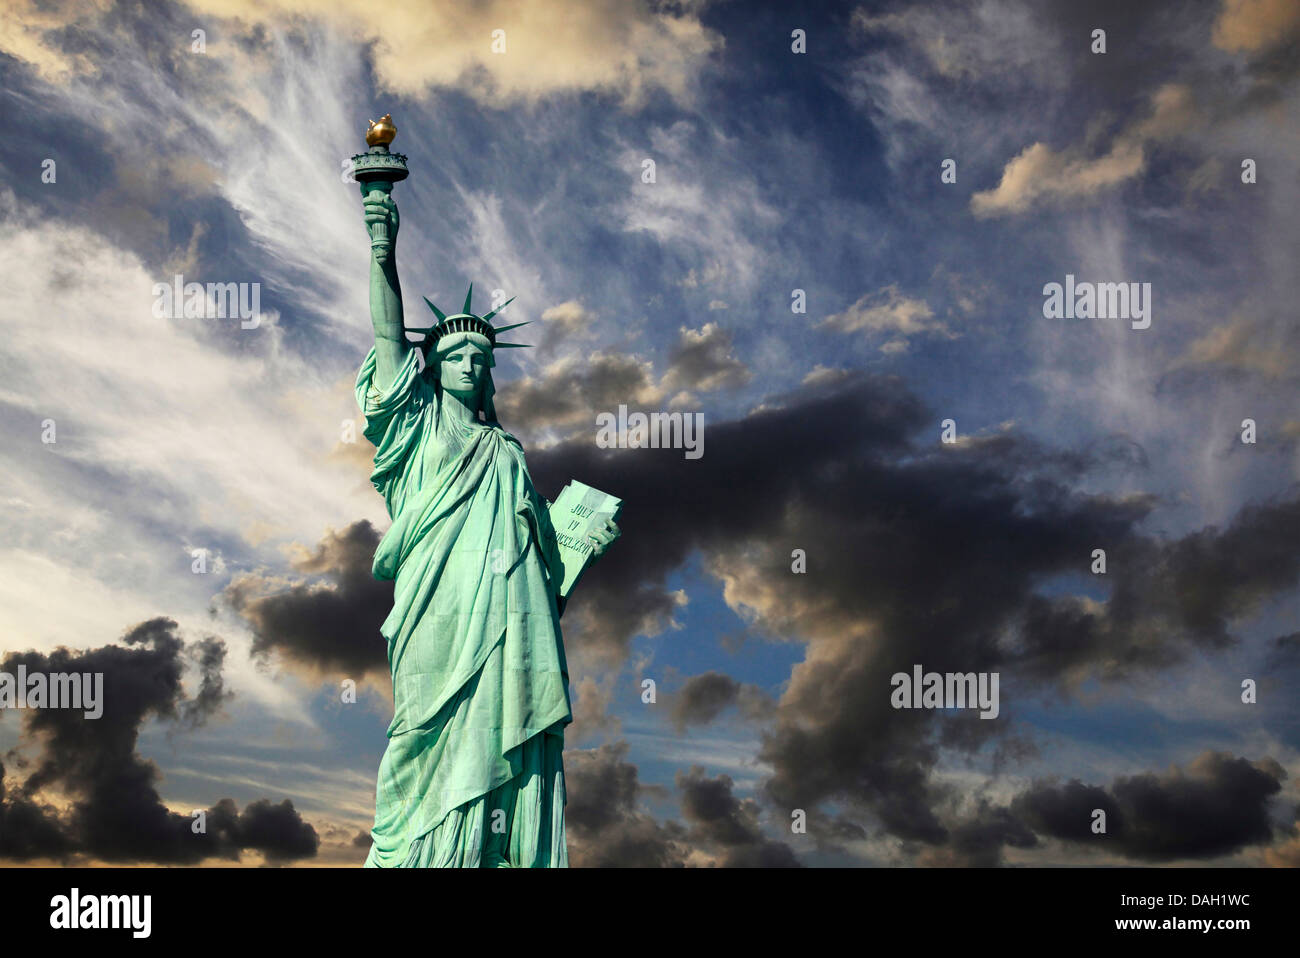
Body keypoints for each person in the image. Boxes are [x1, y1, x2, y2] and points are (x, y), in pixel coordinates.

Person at [355, 190, 618, 867]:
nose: (471, 365)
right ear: (434, 367)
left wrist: (578, 546)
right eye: (456, 356)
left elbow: (544, 578)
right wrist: (382, 248)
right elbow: (389, 343)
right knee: (420, 734)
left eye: (480, 358)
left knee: (505, 738)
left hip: (511, 617)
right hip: (435, 611)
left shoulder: (507, 453)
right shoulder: (414, 433)